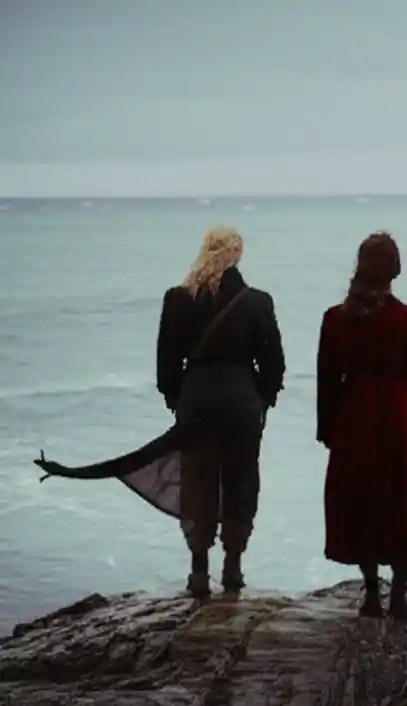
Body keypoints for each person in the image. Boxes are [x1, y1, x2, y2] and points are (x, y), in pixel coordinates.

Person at [37, 225, 285, 599]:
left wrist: (179, 401)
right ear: (237, 255)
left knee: (198, 483)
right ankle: (233, 568)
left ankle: (199, 572)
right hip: (241, 404)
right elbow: (274, 363)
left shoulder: (178, 299)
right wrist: (260, 400)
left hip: (197, 401)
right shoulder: (257, 301)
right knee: (241, 481)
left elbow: (166, 364)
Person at [317, 232, 407, 621]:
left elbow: (326, 381)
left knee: (360, 502)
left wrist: (328, 429)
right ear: (395, 270)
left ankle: (371, 593)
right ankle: (399, 594)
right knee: (402, 500)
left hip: (355, 419)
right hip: (401, 419)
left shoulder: (336, 320)